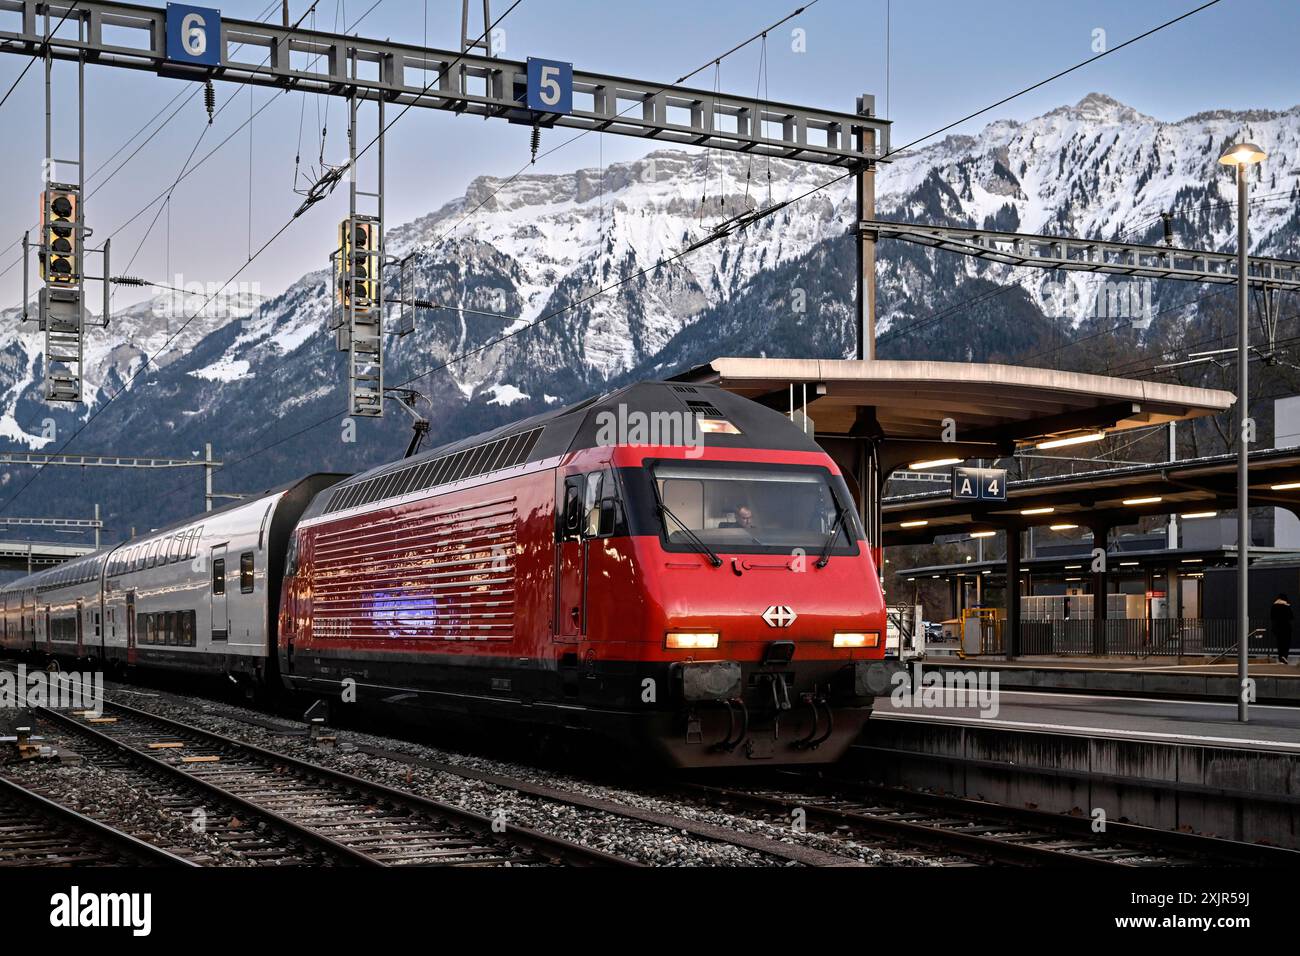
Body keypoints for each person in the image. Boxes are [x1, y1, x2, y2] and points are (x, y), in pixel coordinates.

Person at [1270, 593, 1293, 665]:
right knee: (1286, 643)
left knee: (1279, 643)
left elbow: (1272, 617)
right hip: (1286, 627)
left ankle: (1280, 657)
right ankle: (1284, 656)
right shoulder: (1286, 606)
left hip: (1277, 627)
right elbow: (1291, 617)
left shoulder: (1274, 606)